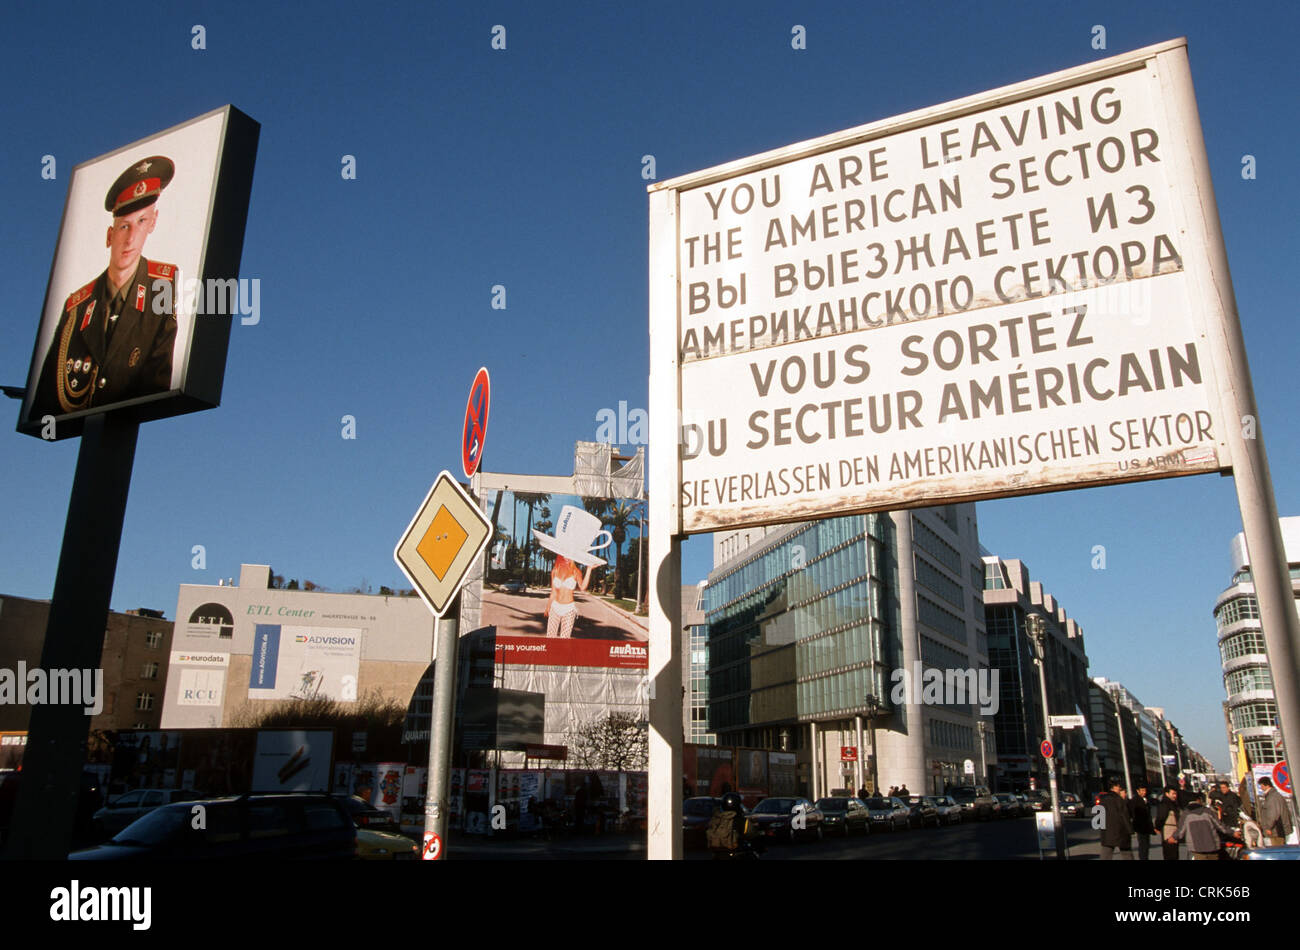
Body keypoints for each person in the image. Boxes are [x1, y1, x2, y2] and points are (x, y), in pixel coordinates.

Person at [32, 156, 178, 419]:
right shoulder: (76, 306)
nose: (131, 238)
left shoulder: (162, 286)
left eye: (141, 222)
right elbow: (46, 401)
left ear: (153, 222)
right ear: (110, 235)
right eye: (124, 226)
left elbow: (157, 386)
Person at [1169, 793, 1240, 860]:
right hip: (1212, 846)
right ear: (1198, 800)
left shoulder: (1186, 814)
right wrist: (1233, 833)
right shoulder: (1208, 812)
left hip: (1197, 847)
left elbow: (1180, 831)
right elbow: (1220, 826)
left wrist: (1173, 837)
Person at [543, 555, 593, 638]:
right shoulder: (555, 571)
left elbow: (583, 587)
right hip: (555, 607)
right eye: (564, 555)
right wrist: (548, 607)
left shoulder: (576, 571)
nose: (567, 558)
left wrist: (589, 569)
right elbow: (553, 592)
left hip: (569, 609)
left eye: (569, 555)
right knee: (550, 637)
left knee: (565, 638)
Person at [1097, 778, 1134, 859]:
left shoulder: (1103, 800)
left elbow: (1099, 817)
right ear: (1114, 787)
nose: (1120, 788)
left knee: (1106, 854)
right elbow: (1124, 816)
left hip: (1107, 832)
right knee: (1127, 854)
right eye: (1118, 786)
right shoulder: (1119, 800)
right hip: (1121, 831)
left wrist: (1103, 829)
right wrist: (1130, 830)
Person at [1256, 776, 1293, 846]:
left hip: (1276, 829)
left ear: (1266, 785)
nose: (1261, 788)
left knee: (1277, 849)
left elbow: (1273, 814)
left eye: (1262, 785)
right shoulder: (1273, 796)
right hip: (1277, 829)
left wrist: (1268, 827)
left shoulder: (1272, 797)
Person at [1155, 786, 1182, 862]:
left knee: (1174, 854)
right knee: (1170, 854)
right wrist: (1157, 828)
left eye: (1176, 794)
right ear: (1167, 794)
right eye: (1173, 793)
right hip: (1168, 833)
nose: (1175, 796)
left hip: (1173, 832)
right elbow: (1161, 818)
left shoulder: (1173, 803)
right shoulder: (1164, 804)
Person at [1129, 783, 1155, 860]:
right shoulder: (1135, 800)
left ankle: (1145, 857)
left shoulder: (1146, 799)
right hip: (1140, 826)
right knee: (1143, 845)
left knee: (1146, 845)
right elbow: (1133, 813)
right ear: (1138, 791)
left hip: (1146, 826)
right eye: (1142, 790)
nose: (1144, 792)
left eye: (1145, 790)